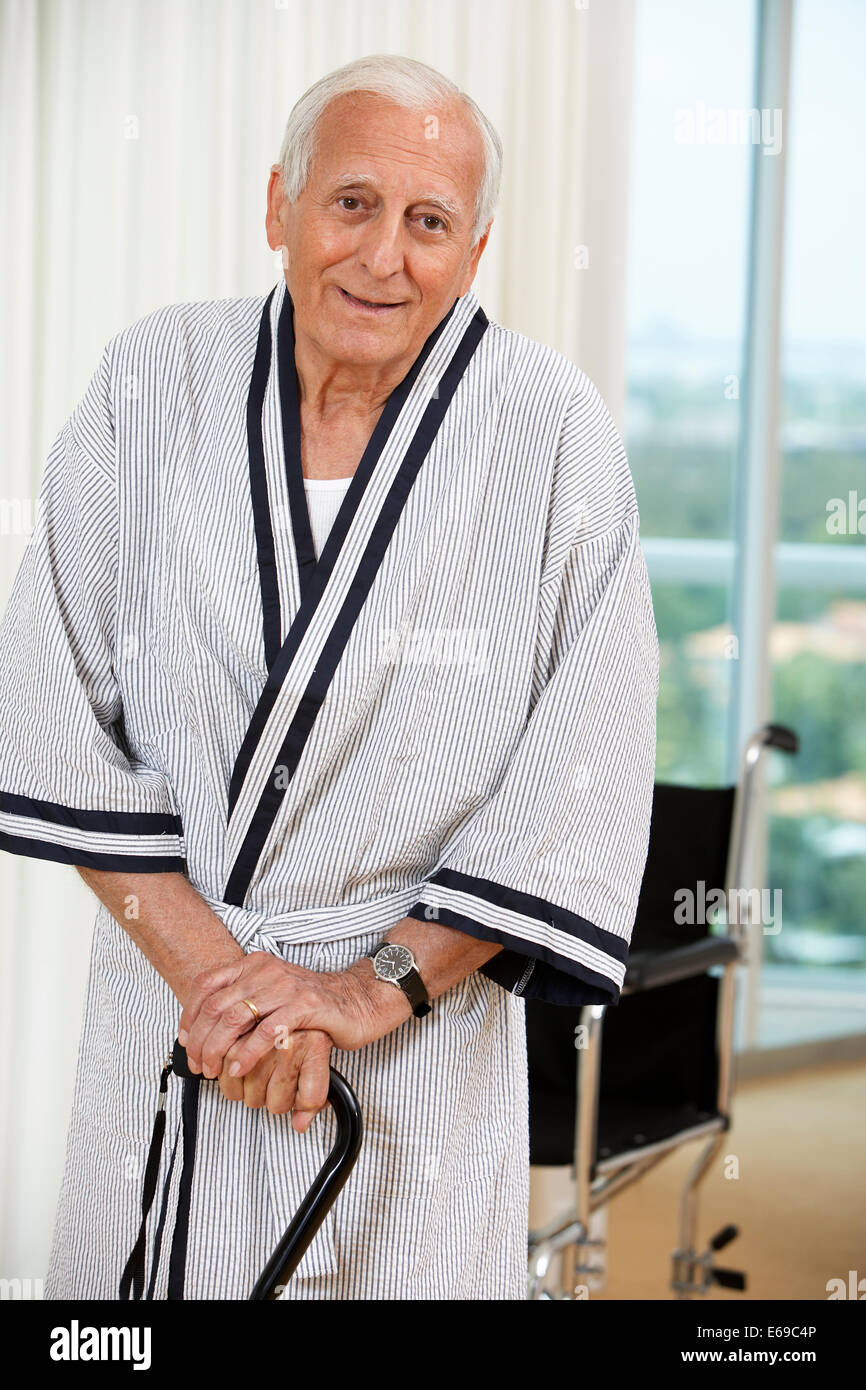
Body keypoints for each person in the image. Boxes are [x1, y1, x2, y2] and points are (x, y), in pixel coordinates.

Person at [0, 53, 658, 1300]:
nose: (382, 257)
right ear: (278, 208)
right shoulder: (152, 386)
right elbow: (47, 710)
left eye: (428, 223)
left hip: (409, 1045)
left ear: (474, 252)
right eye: (351, 203)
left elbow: (584, 767)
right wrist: (223, 987)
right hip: (176, 1012)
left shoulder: (552, 435)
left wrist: (363, 992)